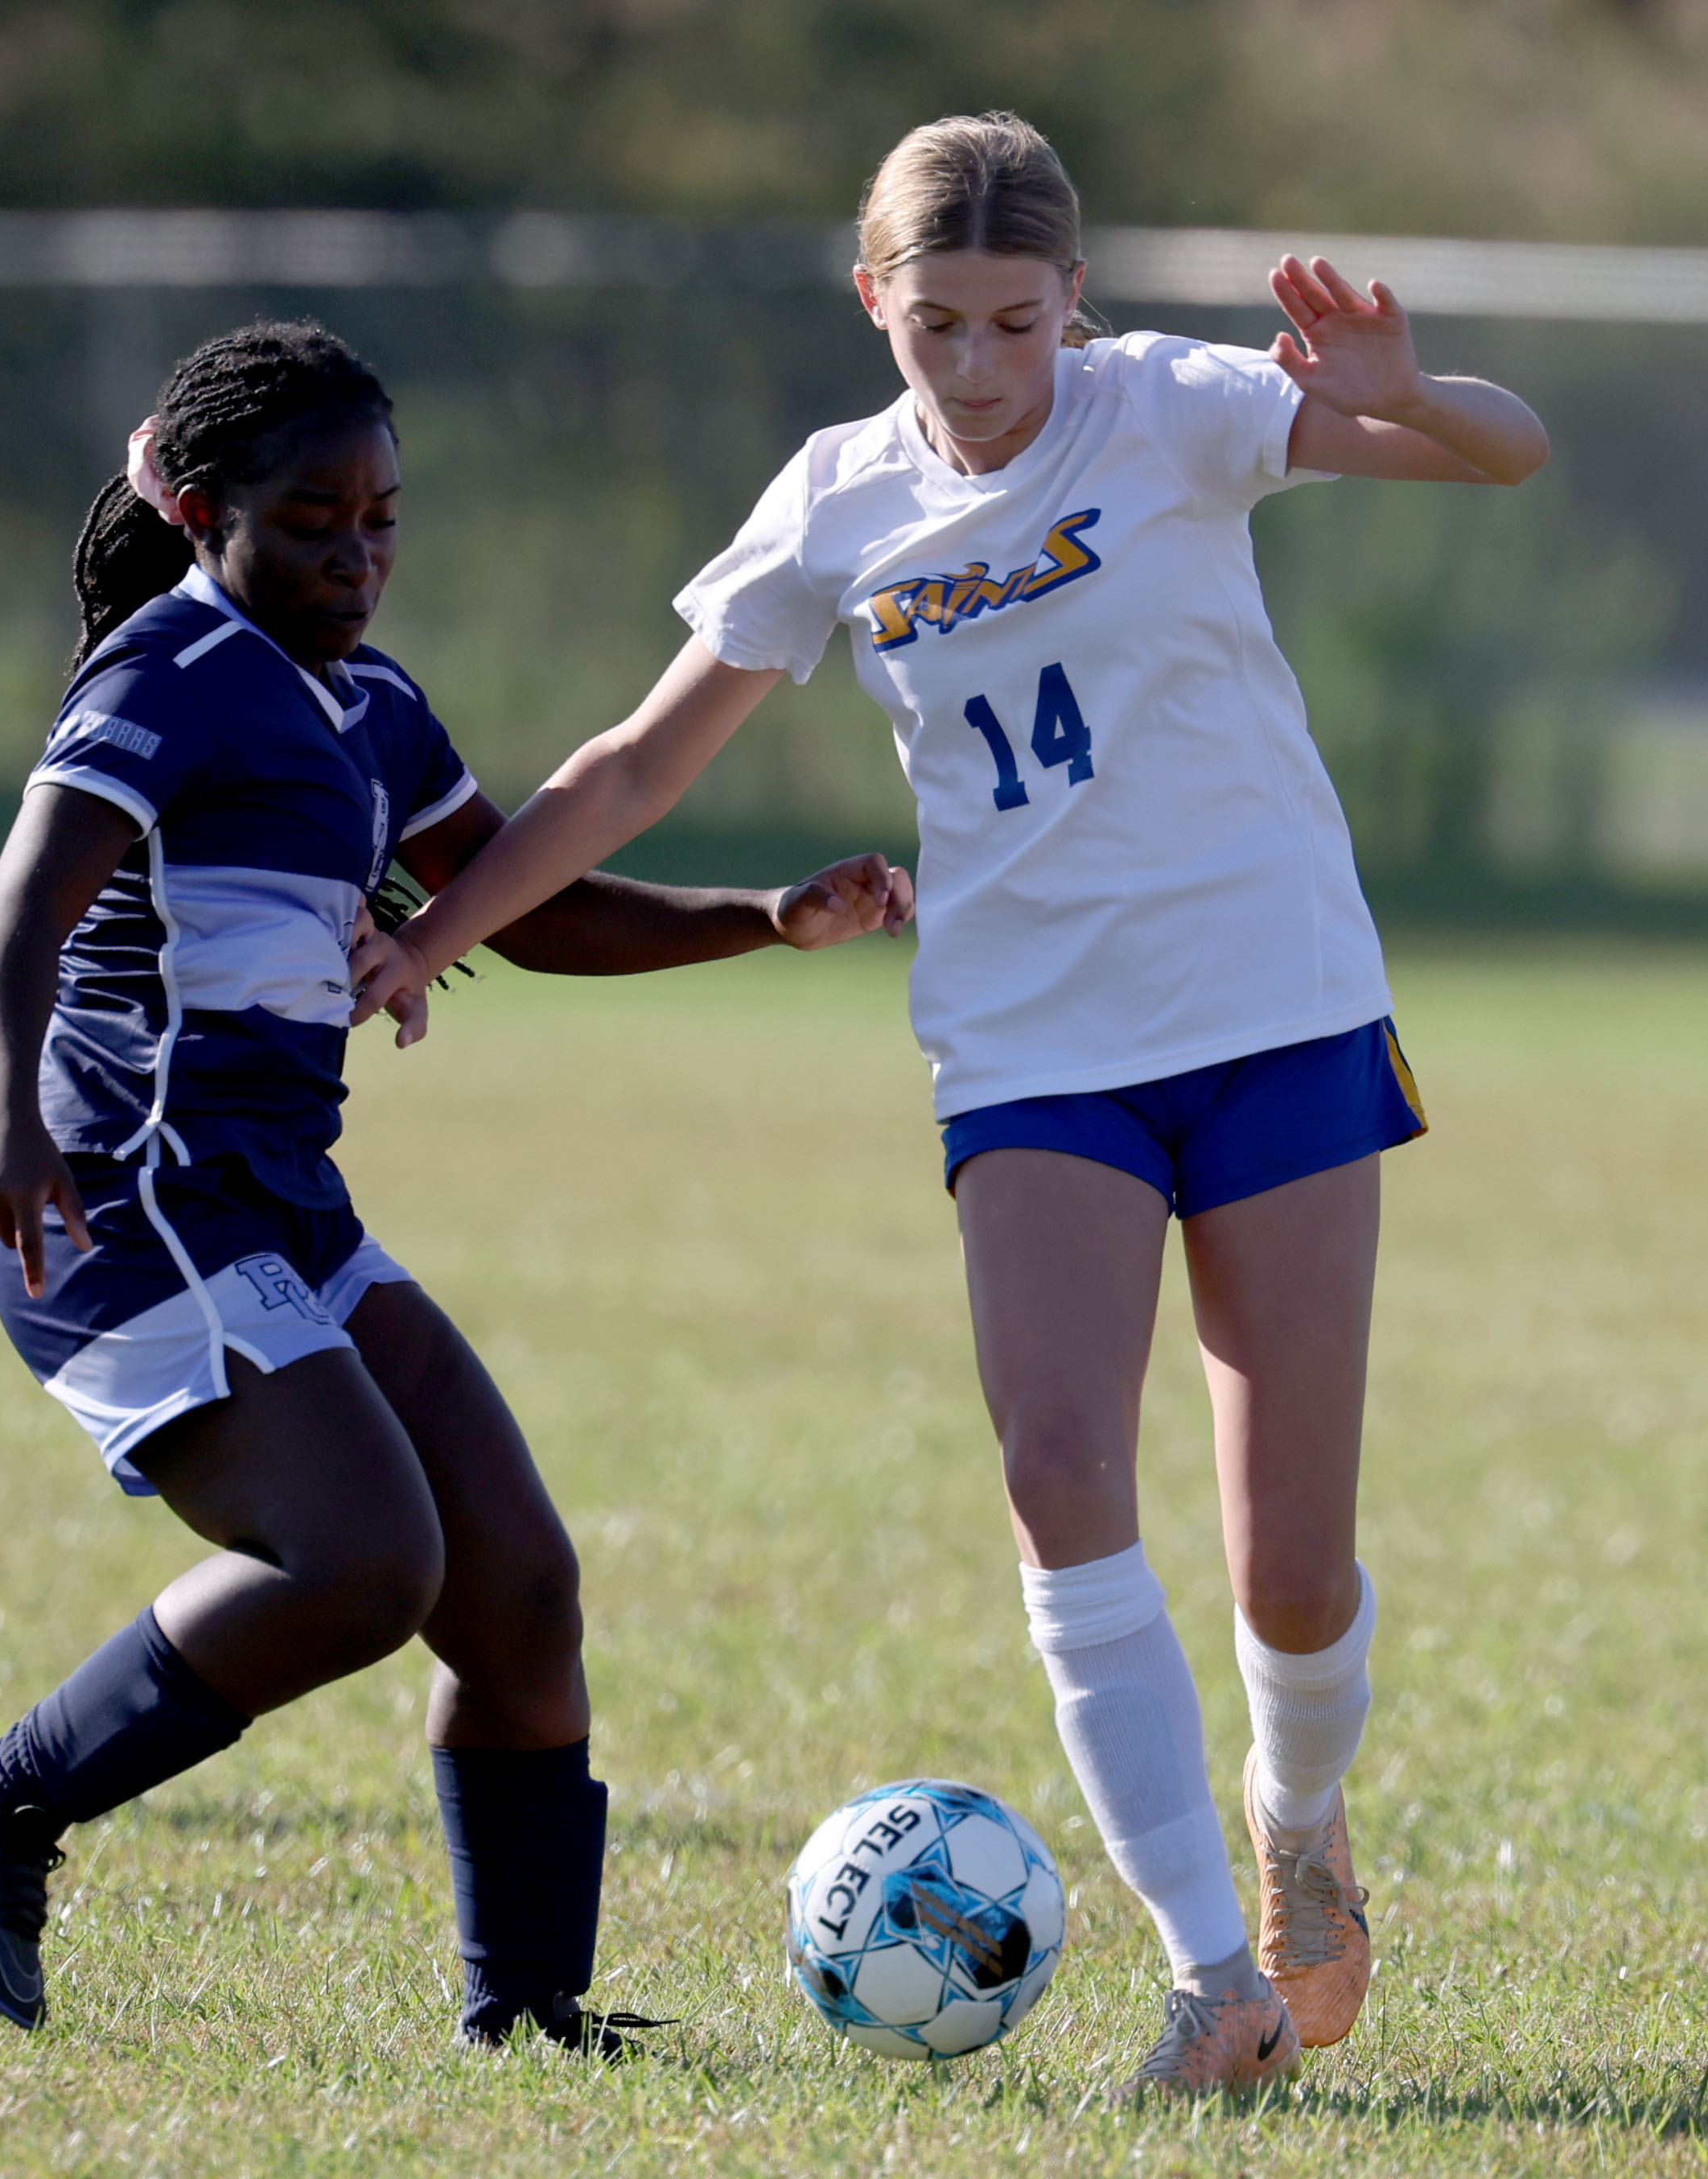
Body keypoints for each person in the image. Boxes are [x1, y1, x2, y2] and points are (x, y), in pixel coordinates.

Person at [350, 114, 1550, 2097]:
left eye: (1014, 321)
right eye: (937, 327)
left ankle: (1298, 1817)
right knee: (1062, 1474)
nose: (980, 369)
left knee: (1287, 1568)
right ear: (872, 305)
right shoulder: (833, 501)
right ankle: (1209, 1977)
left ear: (1073, 302)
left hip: (1273, 1010)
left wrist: (1409, 391)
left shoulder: (1167, 410)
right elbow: (634, 766)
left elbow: (1501, 455)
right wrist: (436, 928)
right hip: (1028, 1049)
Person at [0, 319, 911, 2047]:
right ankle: (0, 1792)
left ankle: (526, 2011)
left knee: (513, 1589)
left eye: (380, 519)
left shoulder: (369, 704)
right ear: (206, 511)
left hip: (282, 1211)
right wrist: (3, 1113)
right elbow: (19, 915)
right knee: (364, 1560)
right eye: (309, 520)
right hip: (127, 1211)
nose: (353, 555)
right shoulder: (169, 669)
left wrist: (761, 919)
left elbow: (522, 898)